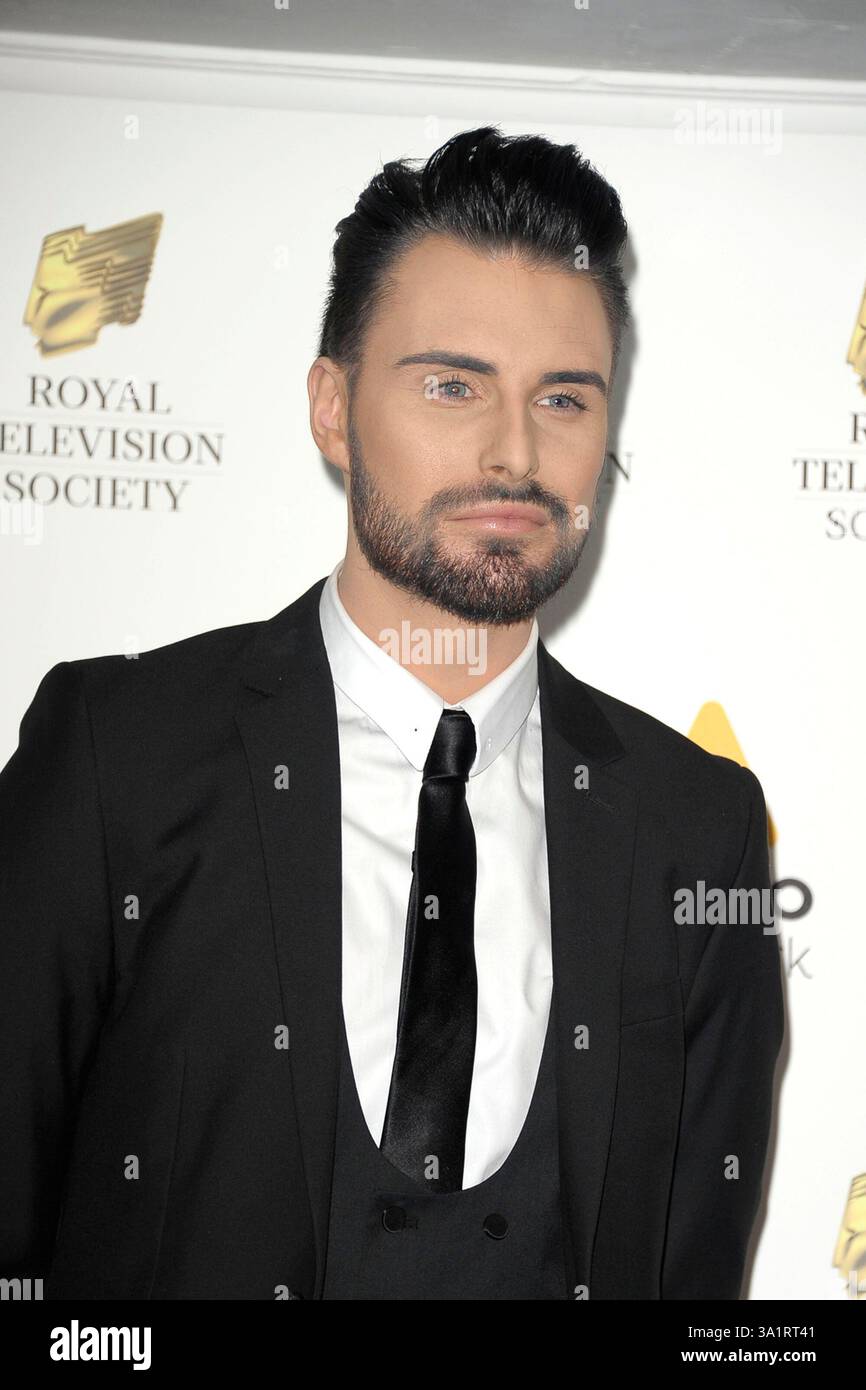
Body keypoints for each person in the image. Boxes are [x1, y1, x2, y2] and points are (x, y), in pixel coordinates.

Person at [0, 126, 784, 1300]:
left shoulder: (697, 828)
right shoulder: (119, 753)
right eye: (451, 384)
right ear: (332, 409)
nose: (513, 453)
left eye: (561, 397)